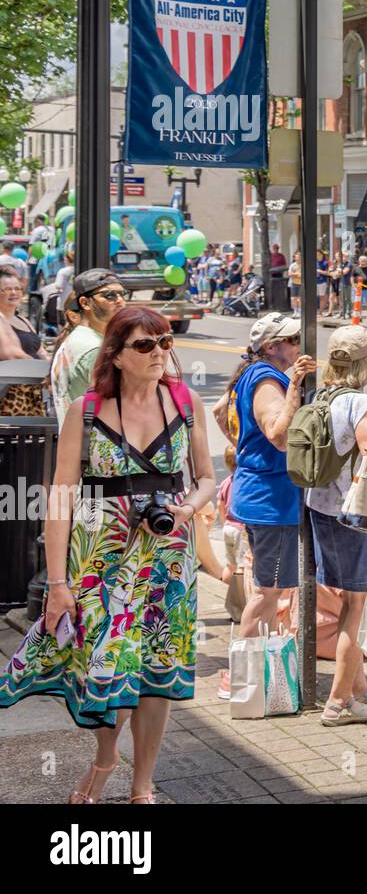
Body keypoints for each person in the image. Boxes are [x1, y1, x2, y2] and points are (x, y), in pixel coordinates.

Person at [0, 307, 217, 803]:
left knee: (158, 670)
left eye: (165, 342)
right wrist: (57, 583)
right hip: (101, 557)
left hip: (167, 556)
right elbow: (60, 496)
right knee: (107, 665)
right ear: (115, 355)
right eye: (145, 345)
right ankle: (105, 759)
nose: (160, 352)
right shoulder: (88, 409)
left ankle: (143, 786)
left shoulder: (185, 403)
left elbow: (206, 477)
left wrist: (188, 508)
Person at [305, 326, 367, 725]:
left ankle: (361, 687)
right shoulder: (361, 402)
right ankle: (339, 703)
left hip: (319, 507)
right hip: (351, 514)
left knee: (344, 598)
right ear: (366, 361)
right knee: (355, 606)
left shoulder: (321, 395)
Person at [213, 312, 316, 639]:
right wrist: (295, 388)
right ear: (272, 347)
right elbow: (279, 435)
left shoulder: (252, 374)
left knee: (267, 588)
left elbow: (219, 412)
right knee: (268, 592)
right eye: (294, 340)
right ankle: (245, 679)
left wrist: (244, 450)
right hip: (271, 500)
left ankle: (259, 676)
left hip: (259, 494)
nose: (300, 346)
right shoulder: (268, 379)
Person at [49, 268, 127, 425]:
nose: (120, 300)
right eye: (109, 295)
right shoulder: (95, 348)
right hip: (97, 444)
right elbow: (116, 408)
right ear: (85, 303)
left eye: (122, 294)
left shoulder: (76, 338)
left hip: (79, 441)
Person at [0, 268, 47, 416]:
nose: (14, 293)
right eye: (7, 289)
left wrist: (53, 367)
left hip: (32, 389)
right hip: (9, 393)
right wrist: (45, 370)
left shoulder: (23, 320)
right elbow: (11, 355)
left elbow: (41, 351)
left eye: (17, 288)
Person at [27, 213, 53, 294]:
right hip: (49, 258)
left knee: (33, 281)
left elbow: (31, 246)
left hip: (36, 259)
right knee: (47, 280)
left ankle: (32, 298)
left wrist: (28, 258)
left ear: (38, 221)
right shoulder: (51, 229)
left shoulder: (37, 230)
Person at [287, 250, 302, 317]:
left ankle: (299, 311)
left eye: (299, 257)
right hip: (293, 283)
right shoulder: (292, 265)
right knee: (293, 298)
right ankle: (295, 311)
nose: (298, 258)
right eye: (297, 257)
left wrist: (296, 274)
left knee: (299, 298)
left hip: (300, 283)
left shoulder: (303, 265)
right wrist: (297, 274)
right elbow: (289, 274)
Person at [315, 248, 329, 314]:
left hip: (322, 281)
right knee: (314, 297)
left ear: (321, 254)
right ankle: (314, 311)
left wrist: (319, 271)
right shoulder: (315, 262)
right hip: (315, 281)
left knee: (321, 297)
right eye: (316, 254)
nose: (317, 256)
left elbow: (327, 273)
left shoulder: (325, 263)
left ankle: (320, 312)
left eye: (319, 254)